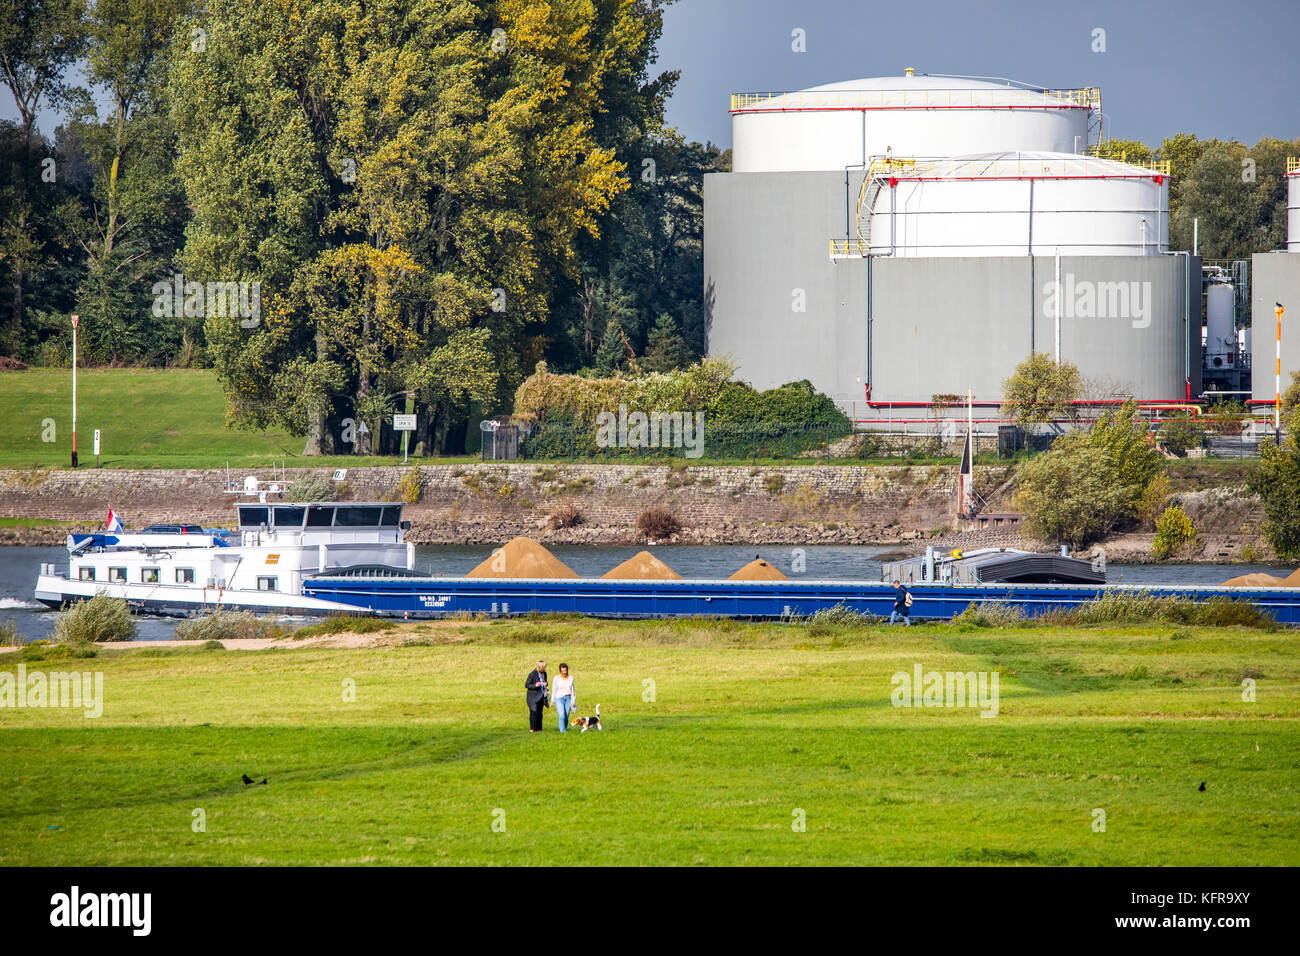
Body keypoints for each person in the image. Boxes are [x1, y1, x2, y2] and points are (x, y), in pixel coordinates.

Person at [525, 659, 549, 732]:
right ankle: (533, 728)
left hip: (541, 696)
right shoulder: (532, 674)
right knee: (533, 712)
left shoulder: (544, 674)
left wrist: (546, 684)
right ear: (540, 667)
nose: (545, 668)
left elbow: (545, 682)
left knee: (539, 713)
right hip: (533, 697)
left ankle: (539, 729)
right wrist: (536, 685)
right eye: (544, 667)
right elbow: (527, 685)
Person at [551, 663, 576, 732]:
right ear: (560, 671)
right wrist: (552, 700)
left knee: (566, 716)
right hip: (559, 698)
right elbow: (554, 689)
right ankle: (563, 731)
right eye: (562, 671)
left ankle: (564, 728)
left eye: (565, 670)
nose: (564, 672)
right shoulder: (556, 678)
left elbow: (573, 690)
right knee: (562, 715)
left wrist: (573, 701)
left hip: (568, 698)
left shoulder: (571, 678)